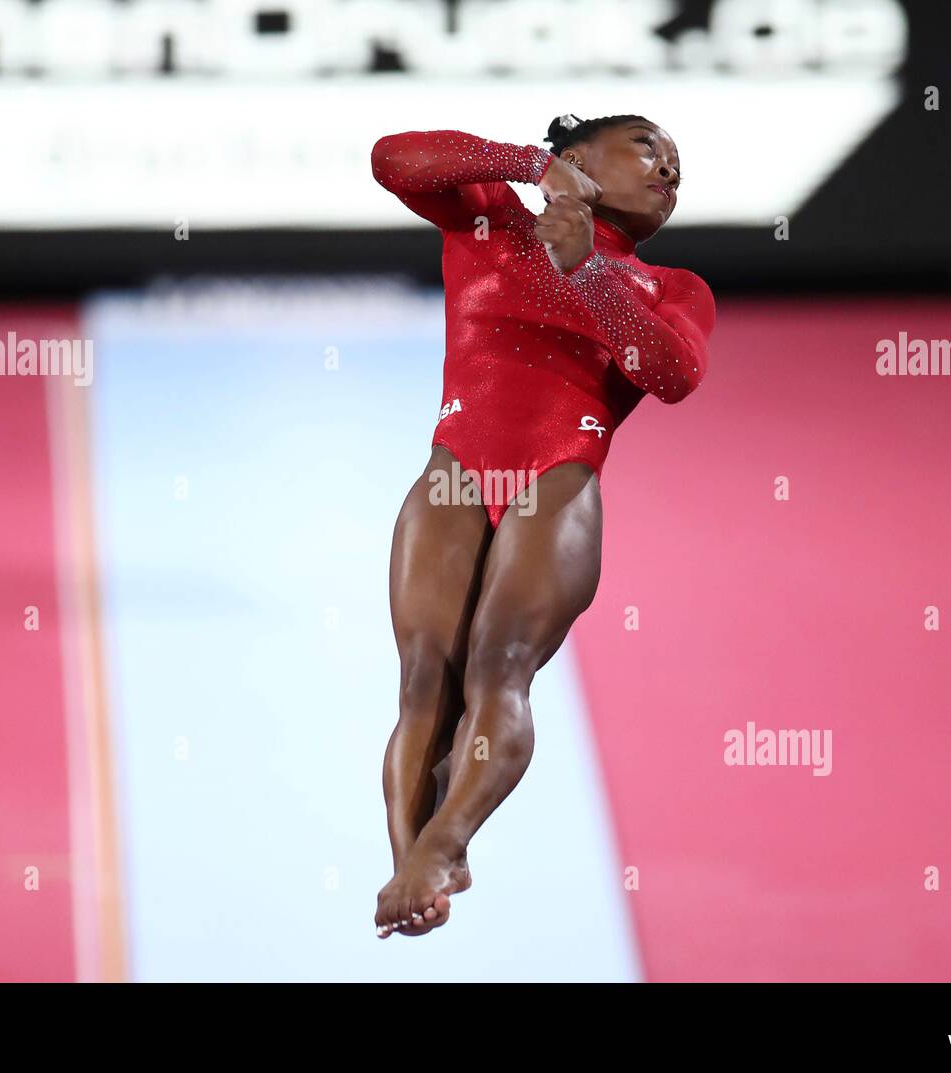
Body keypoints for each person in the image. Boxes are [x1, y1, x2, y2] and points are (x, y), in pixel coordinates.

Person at [369, 114, 716, 937]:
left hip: (556, 481)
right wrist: (529, 165)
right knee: (426, 680)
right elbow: (395, 160)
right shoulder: (491, 216)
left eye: (677, 165)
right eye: (647, 148)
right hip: (455, 466)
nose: (668, 168)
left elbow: (670, 374)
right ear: (576, 159)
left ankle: (442, 845)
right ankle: (413, 863)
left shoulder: (674, 287)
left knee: (498, 666)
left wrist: (589, 269)